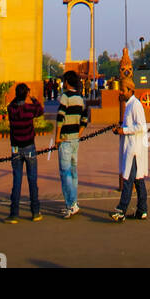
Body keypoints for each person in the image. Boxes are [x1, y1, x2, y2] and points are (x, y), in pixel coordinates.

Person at [110, 80, 148, 221]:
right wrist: (120, 128)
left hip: (134, 150)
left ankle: (121, 210)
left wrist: (124, 130)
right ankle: (142, 210)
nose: (120, 92)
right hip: (131, 147)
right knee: (138, 180)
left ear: (130, 90)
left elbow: (141, 127)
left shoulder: (135, 105)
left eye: (123, 90)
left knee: (127, 179)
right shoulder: (129, 105)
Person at [7, 82, 44, 222]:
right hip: (29, 146)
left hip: (16, 147)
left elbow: (11, 105)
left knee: (17, 180)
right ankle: (35, 212)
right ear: (26, 94)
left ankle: (14, 214)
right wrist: (33, 98)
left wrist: (18, 97)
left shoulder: (11, 109)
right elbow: (40, 110)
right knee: (32, 180)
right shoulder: (29, 109)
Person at [54, 69, 88, 218]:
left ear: (66, 82)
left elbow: (60, 118)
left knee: (66, 173)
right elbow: (84, 120)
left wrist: (57, 137)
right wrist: (77, 134)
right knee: (73, 172)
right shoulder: (80, 98)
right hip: (75, 139)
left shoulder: (65, 97)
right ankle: (74, 203)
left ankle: (71, 204)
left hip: (66, 140)